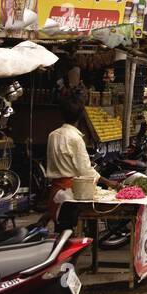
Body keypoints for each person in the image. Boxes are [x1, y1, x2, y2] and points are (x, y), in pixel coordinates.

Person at [44, 95, 115, 232]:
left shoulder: (52, 135)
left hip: (55, 190)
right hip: (71, 192)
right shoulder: (75, 139)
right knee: (67, 232)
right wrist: (108, 182)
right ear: (80, 116)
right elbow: (85, 170)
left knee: (61, 231)